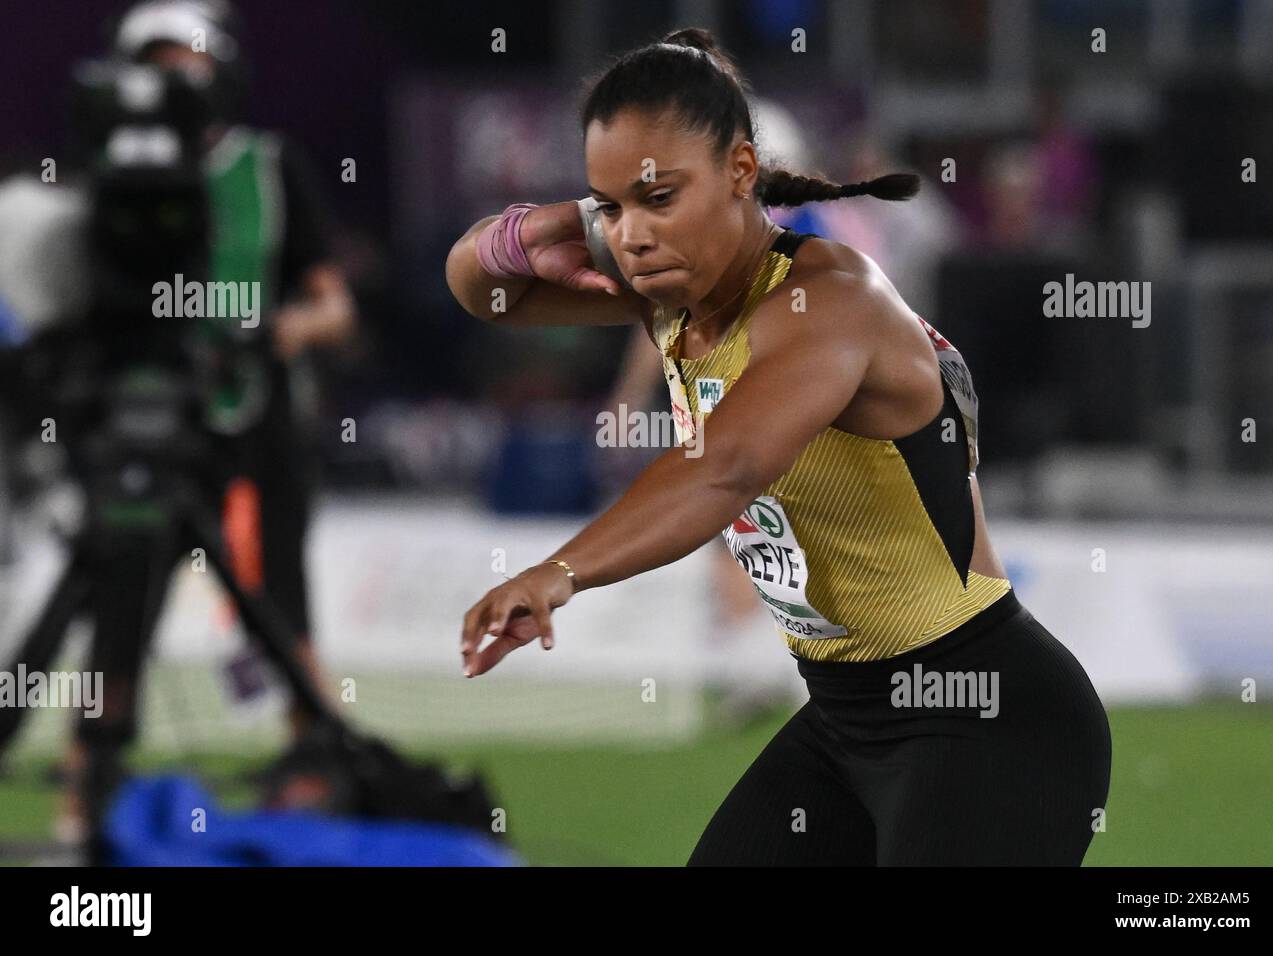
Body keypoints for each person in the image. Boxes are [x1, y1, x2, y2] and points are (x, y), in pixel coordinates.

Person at [445, 28, 1111, 865]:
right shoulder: (668, 293)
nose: (634, 235)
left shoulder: (830, 299)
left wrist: (559, 572)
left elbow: (723, 468)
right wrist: (575, 217)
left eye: (660, 198)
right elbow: (479, 284)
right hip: (843, 721)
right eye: (611, 207)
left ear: (741, 174)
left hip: (985, 720)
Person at [54, 0, 358, 842]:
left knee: (282, 602)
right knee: (123, 601)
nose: (171, 85)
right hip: (143, 416)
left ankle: (314, 761)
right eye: (154, 67)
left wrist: (273, 332)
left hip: (260, 420)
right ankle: (91, 770)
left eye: (186, 64)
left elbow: (333, 306)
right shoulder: (107, 176)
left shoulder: (269, 167)